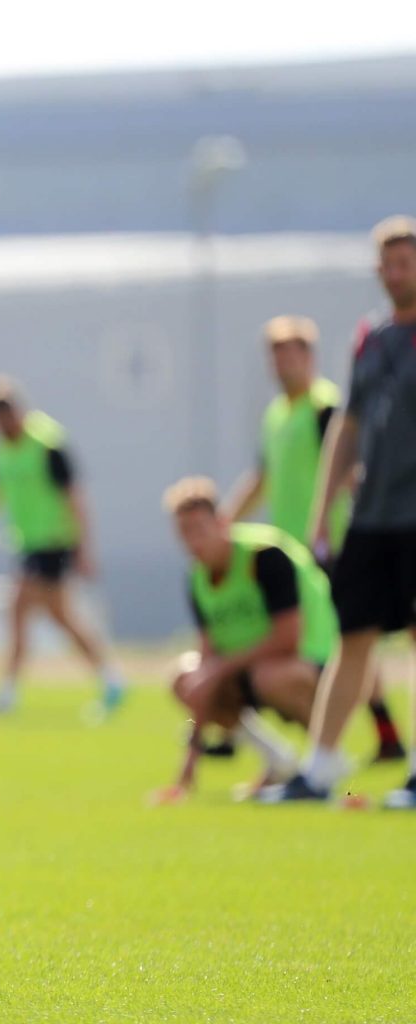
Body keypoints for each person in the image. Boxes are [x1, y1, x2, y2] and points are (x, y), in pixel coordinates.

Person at [261, 216, 416, 805]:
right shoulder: (371, 339)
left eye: (406, 262)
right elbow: (348, 427)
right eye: (388, 264)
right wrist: (324, 513)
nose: (396, 274)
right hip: (373, 517)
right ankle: (320, 768)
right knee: (354, 638)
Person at [220, 316, 404, 762]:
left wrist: (357, 520)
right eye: (277, 354)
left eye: (292, 353)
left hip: (329, 544)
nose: (283, 363)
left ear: (310, 357)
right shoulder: (277, 414)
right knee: (349, 640)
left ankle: (378, 736)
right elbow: (263, 477)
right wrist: (225, 522)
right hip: (290, 549)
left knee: (351, 639)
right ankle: (377, 737)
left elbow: (350, 467)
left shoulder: (325, 408)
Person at [0, 376, 127, 718]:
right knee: (60, 617)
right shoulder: (3, 450)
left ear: (18, 411)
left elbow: (75, 496)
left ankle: (7, 693)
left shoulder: (48, 443)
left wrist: (84, 548)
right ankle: (111, 679)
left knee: (19, 608)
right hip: (29, 544)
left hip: (55, 541)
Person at [151, 479, 333, 803]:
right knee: (185, 678)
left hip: (315, 663)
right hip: (249, 669)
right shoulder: (197, 578)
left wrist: (219, 669)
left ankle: (324, 766)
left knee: (273, 677)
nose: (192, 542)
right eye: (183, 533)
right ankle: (279, 761)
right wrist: (187, 769)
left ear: (222, 522)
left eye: (198, 528)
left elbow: (287, 637)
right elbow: (207, 661)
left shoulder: (264, 557)